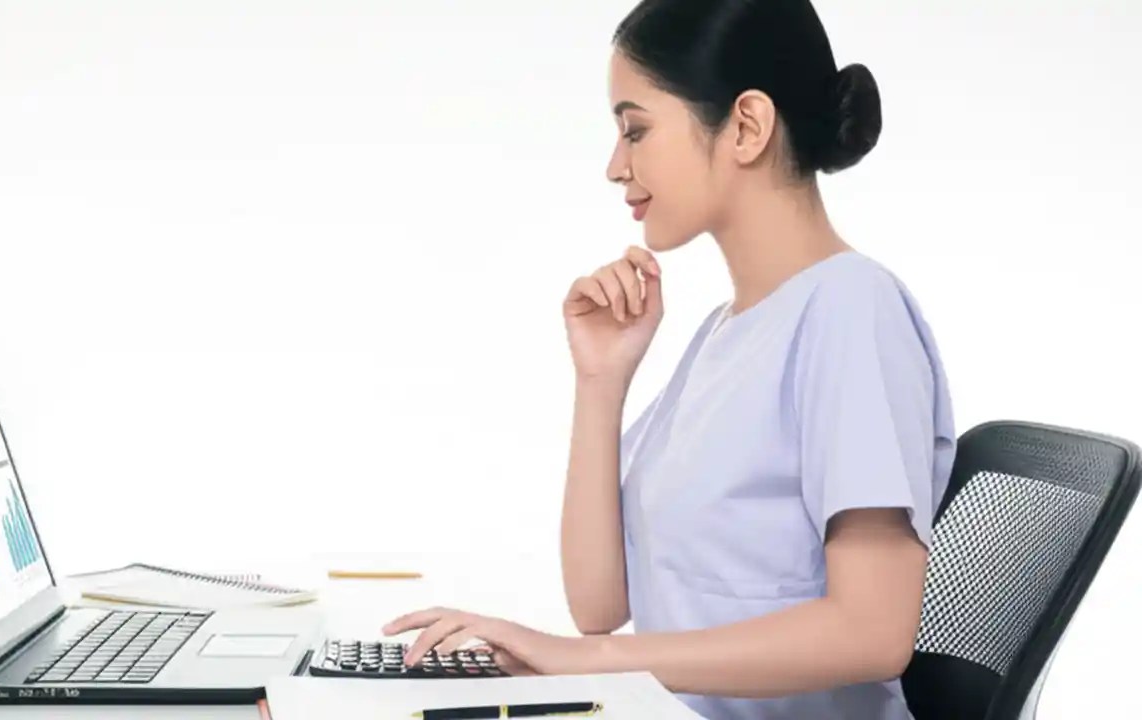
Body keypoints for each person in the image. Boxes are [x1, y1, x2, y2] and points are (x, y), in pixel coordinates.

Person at [382, 1, 957, 718]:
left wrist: (588, 662)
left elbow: (872, 633)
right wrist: (600, 380)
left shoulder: (850, 310)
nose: (615, 166)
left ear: (746, 127)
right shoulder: (725, 331)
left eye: (636, 130)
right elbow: (599, 605)